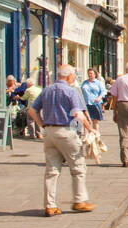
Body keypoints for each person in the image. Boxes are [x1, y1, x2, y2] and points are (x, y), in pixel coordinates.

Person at [27, 64, 96, 217]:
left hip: (49, 132)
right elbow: (78, 114)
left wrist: (42, 124)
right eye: (74, 76)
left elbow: (31, 110)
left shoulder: (47, 90)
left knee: (51, 170)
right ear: (70, 76)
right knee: (78, 167)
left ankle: (50, 205)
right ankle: (79, 201)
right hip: (66, 132)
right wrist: (89, 128)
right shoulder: (71, 91)